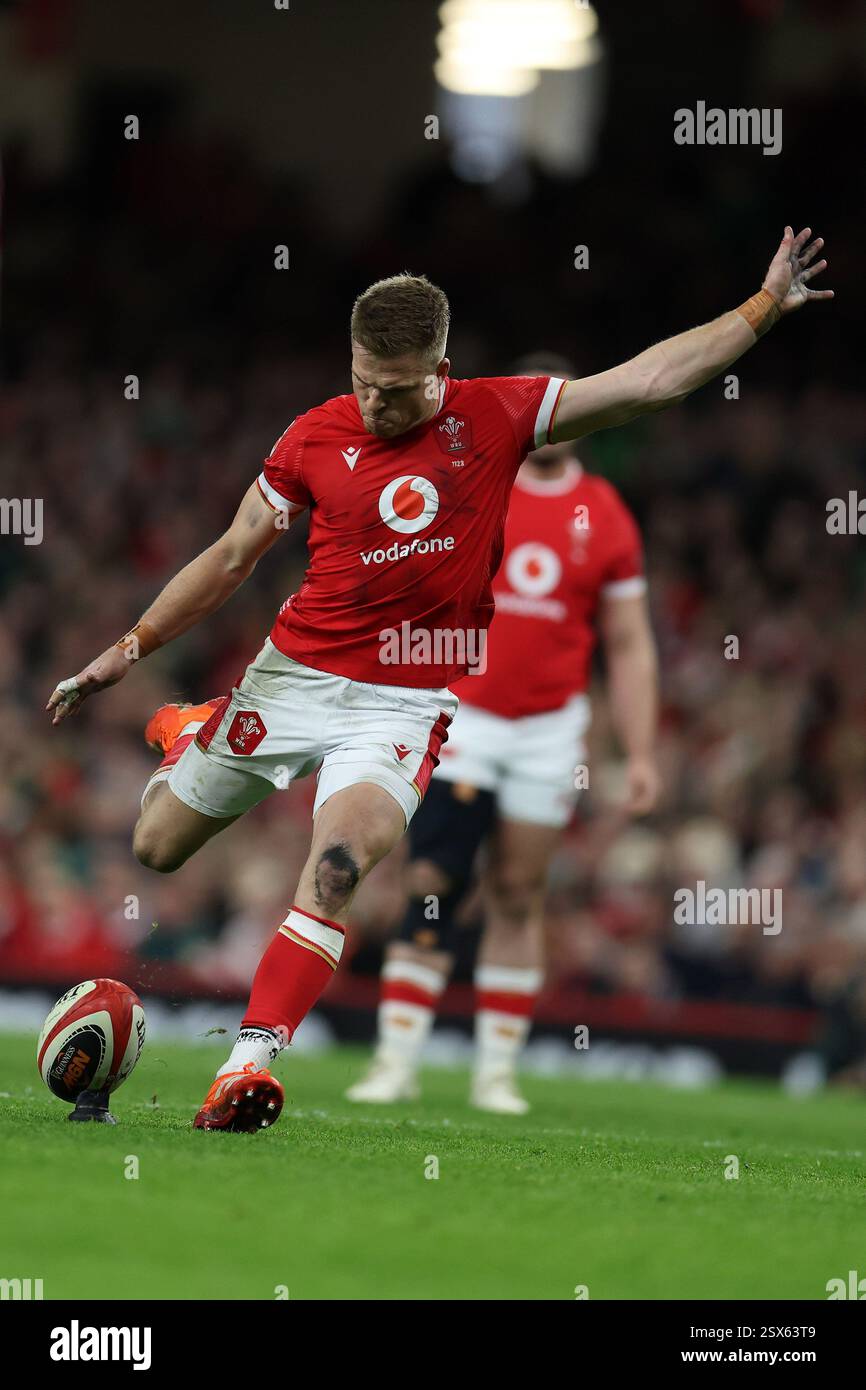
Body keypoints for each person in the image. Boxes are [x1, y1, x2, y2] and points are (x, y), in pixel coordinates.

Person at [45, 229, 832, 1132]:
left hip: (403, 702)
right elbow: (229, 559)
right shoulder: (311, 437)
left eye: (400, 388)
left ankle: (246, 1064)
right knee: (156, 848)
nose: (377, 404)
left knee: (339, 868)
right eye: (364, 382)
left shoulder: (496, 417)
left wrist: (764, 305)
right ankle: (192, 731)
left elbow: (651, 380)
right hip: (289, 681)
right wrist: (129, 647)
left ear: (442, 369)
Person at [347, 354, 659, 1113]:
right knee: (432, 886)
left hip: (549, 729)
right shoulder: (473, 481)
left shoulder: (605, 512)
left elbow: (628, 640)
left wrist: (641, 750)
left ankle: (495, 1073)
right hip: (463, 715)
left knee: (520, 892)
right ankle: (396, 1062)